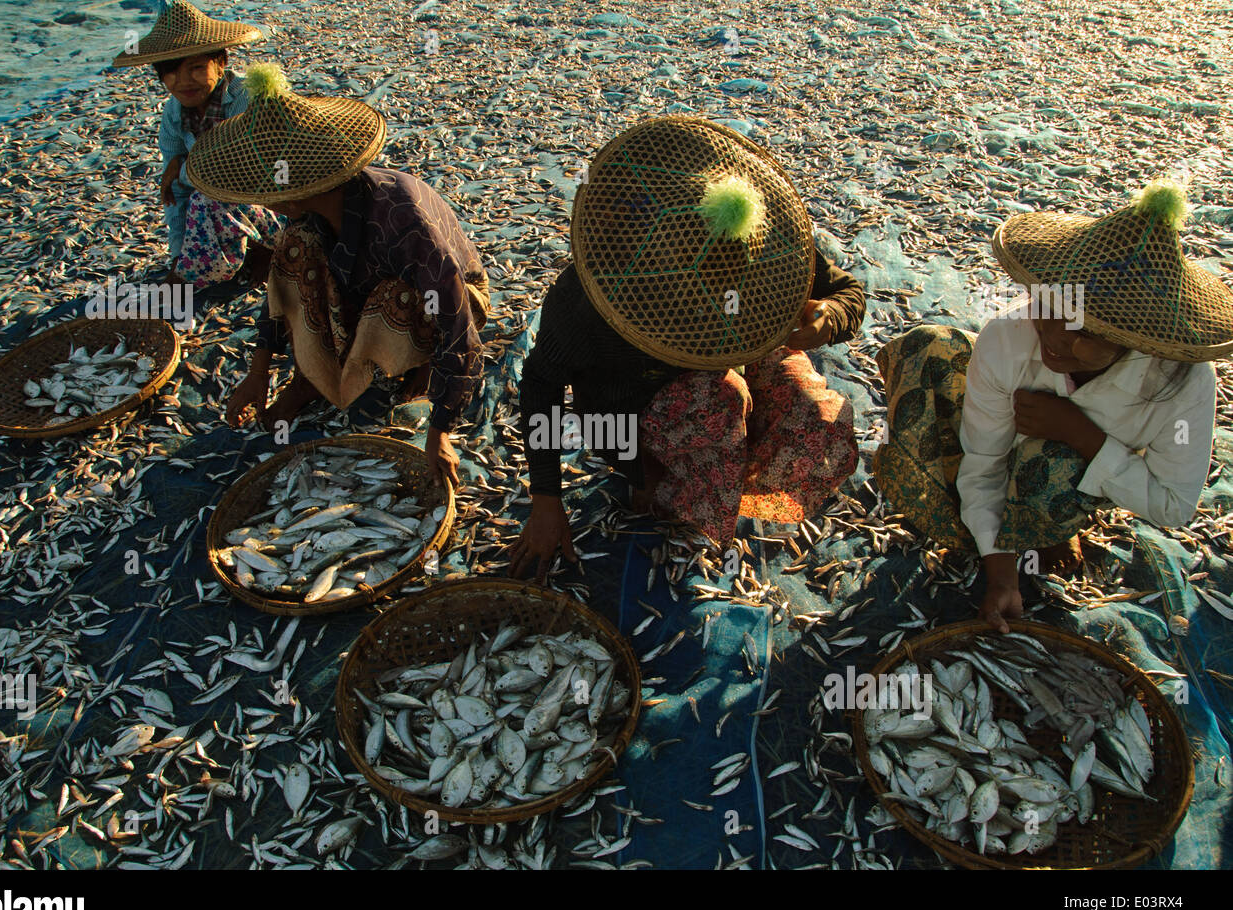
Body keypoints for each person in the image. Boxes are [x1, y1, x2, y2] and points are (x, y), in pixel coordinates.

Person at [509, 116, 865, 581]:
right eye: (695, 289)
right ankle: (663, 481)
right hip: (624, 412)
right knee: (723, 399)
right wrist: (546, 499)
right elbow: (540, 384)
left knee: (816, 417)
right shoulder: (599, 288)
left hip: (734, 355)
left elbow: (847, 292)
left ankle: (716, 481)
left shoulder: (763, 243)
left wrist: (827, 318)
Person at [873, 179, 1232, 632]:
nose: (1059, 339)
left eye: (1086, 332)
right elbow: (984, 461)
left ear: (1132, 340)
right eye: (1051, 308)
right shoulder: (1011, 335)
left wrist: (1082, 435)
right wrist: (1001, 574)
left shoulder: (1181, 382)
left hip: (1065, 476)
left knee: (1055, 463)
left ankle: (1049, 535)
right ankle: (990, 540)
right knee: (926, 350)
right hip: (999, 449)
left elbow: (1174, 504)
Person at [186, 64, 490, 488]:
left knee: (395, 303)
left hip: (438, 303)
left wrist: (441, 431)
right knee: (292, 253)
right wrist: (258, 373)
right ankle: (314, 377)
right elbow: (280, 293)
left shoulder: (403, 219)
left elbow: (460, 329)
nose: (265, 198)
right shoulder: (308, 216)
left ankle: (417, 371)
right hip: (359, 293)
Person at [112, 0, 282, 289]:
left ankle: (269, 248)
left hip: (279, 201)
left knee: (208, 196)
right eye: (171, 72)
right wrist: (178, 256)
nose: (183, 82)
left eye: (197, 67)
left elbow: (235, 170)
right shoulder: (173, 113)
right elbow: (174, 193)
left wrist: (180, 166)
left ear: (221, 63)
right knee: (195, 197)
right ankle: (210, 262)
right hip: (232, 203)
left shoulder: (246, 97)